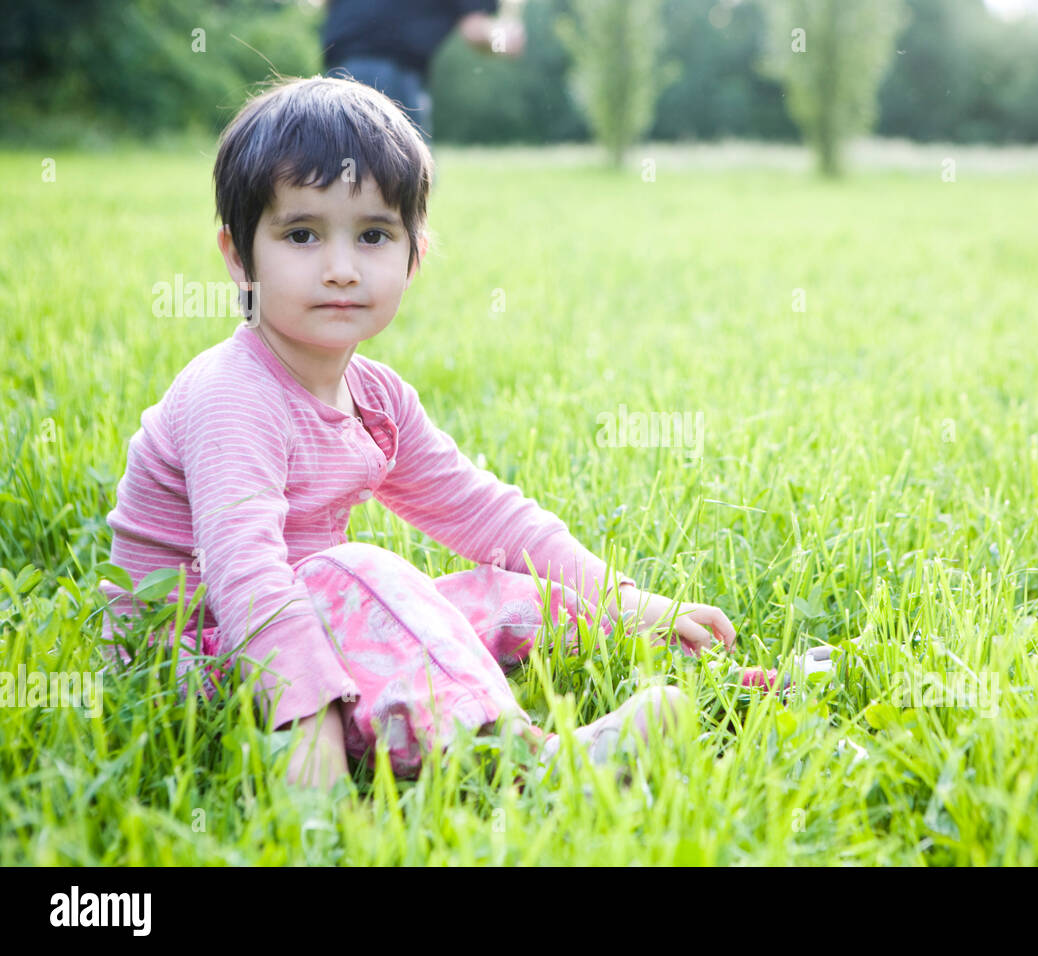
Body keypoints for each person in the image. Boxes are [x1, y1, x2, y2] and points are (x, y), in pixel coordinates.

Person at [98, 75, 742, 794]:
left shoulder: (376, 398)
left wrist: (631, 601)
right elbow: (243, 576)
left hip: (311, 615)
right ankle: (528, 761)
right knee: (358, 572)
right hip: (197, 661)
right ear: (237, 256)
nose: (341, 269)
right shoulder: (232, 395)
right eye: (302, 234)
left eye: (372, 235)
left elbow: (482, 510)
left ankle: (713, 675)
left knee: (504, 591)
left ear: (414, 257)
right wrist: (310, 750)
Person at [321, 0, 526, 147]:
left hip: (338, 67)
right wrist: (503, 39)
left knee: (345, 170)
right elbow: (475, 29)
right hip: (392, 72)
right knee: (407, 181)